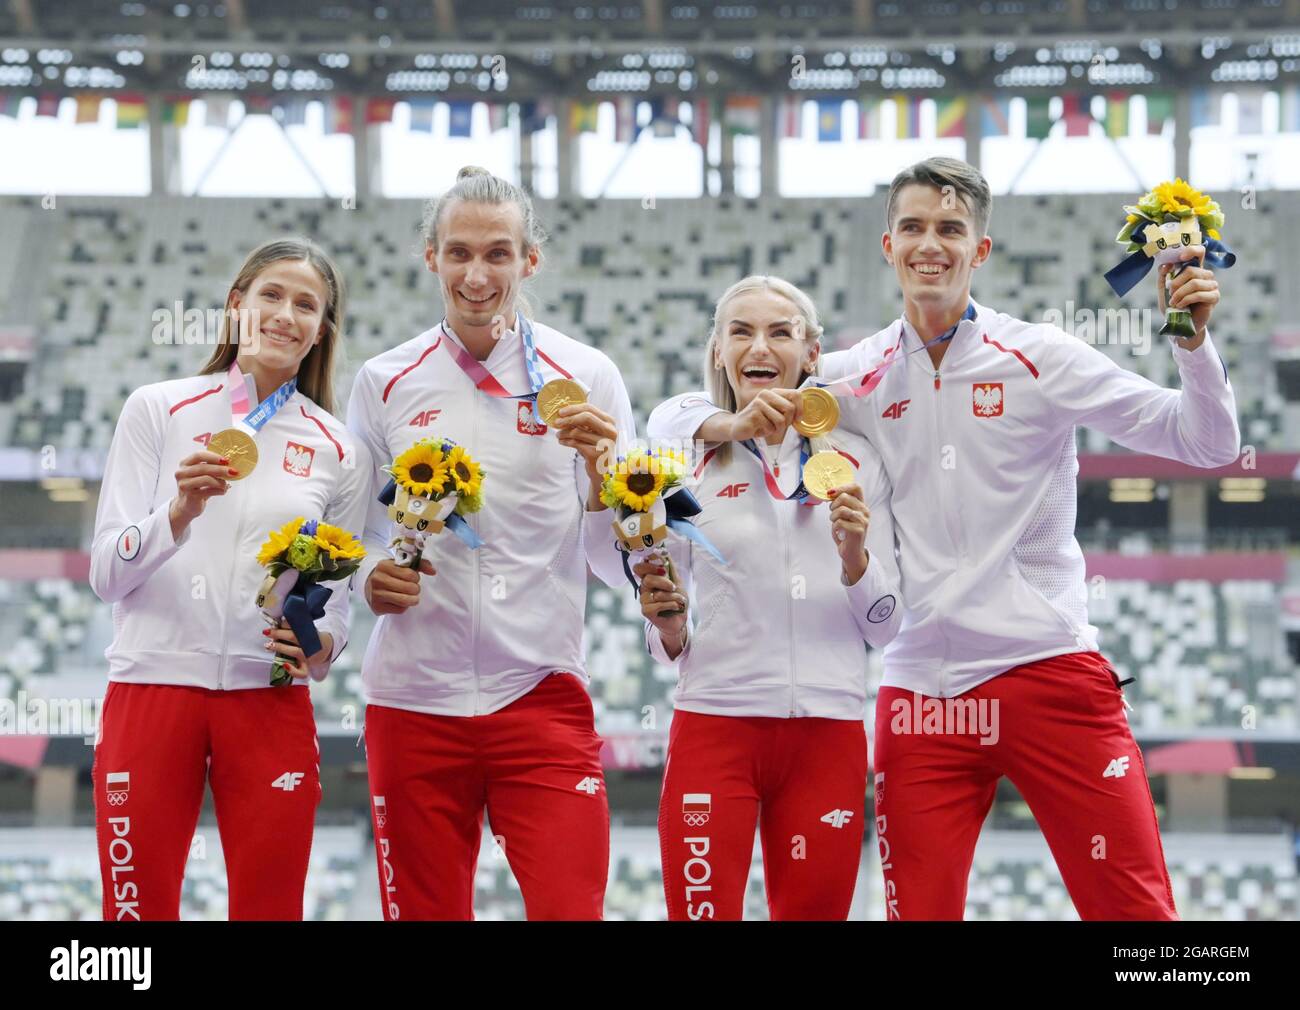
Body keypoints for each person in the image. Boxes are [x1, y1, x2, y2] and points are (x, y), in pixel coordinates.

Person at [648, 157, 1240, 920]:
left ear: (980, 250)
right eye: (915, 228)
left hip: (1048, 669)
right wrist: (726, 422)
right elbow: (675, 419)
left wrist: (1192, 347)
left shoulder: (1041, 357)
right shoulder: (851, 377)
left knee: (1134, 914)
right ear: (888, 246)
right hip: (921, 690)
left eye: (952, 229)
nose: (933, 244)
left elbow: (1206, 443)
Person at [346, 167, 637, 920]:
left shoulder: (589, 377)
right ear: (431, 258)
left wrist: (605, 474)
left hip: (538, 694)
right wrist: (371, 578)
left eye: (499, 254)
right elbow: (353, 536)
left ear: (529, 260)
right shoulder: (384, 381)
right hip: (412, 702)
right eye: (460, 253)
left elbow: (614, 561)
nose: (478, 275)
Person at [89, 238, 370, 920]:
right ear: (236, 306)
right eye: (271, 295)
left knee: (270, 909)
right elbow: (105, 574)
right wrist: (178, 513)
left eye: (307, 305)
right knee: (135, 914)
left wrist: (320, 645)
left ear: (320, 330)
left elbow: (337, 602)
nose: (286, 314)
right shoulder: (158, 409)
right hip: (151, 690)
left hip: (267, 702)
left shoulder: (340, 449)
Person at [640, 276, 901, 920]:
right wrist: (667, 620)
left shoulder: (860, 461)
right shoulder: (686, 453)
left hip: (828, 731)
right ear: (720, 350)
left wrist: (854, 559)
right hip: (715, 723)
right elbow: (664, 638)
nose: (761, 345)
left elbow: (886, 628)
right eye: (741, 331)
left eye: (781, 331)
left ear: (811, 352)